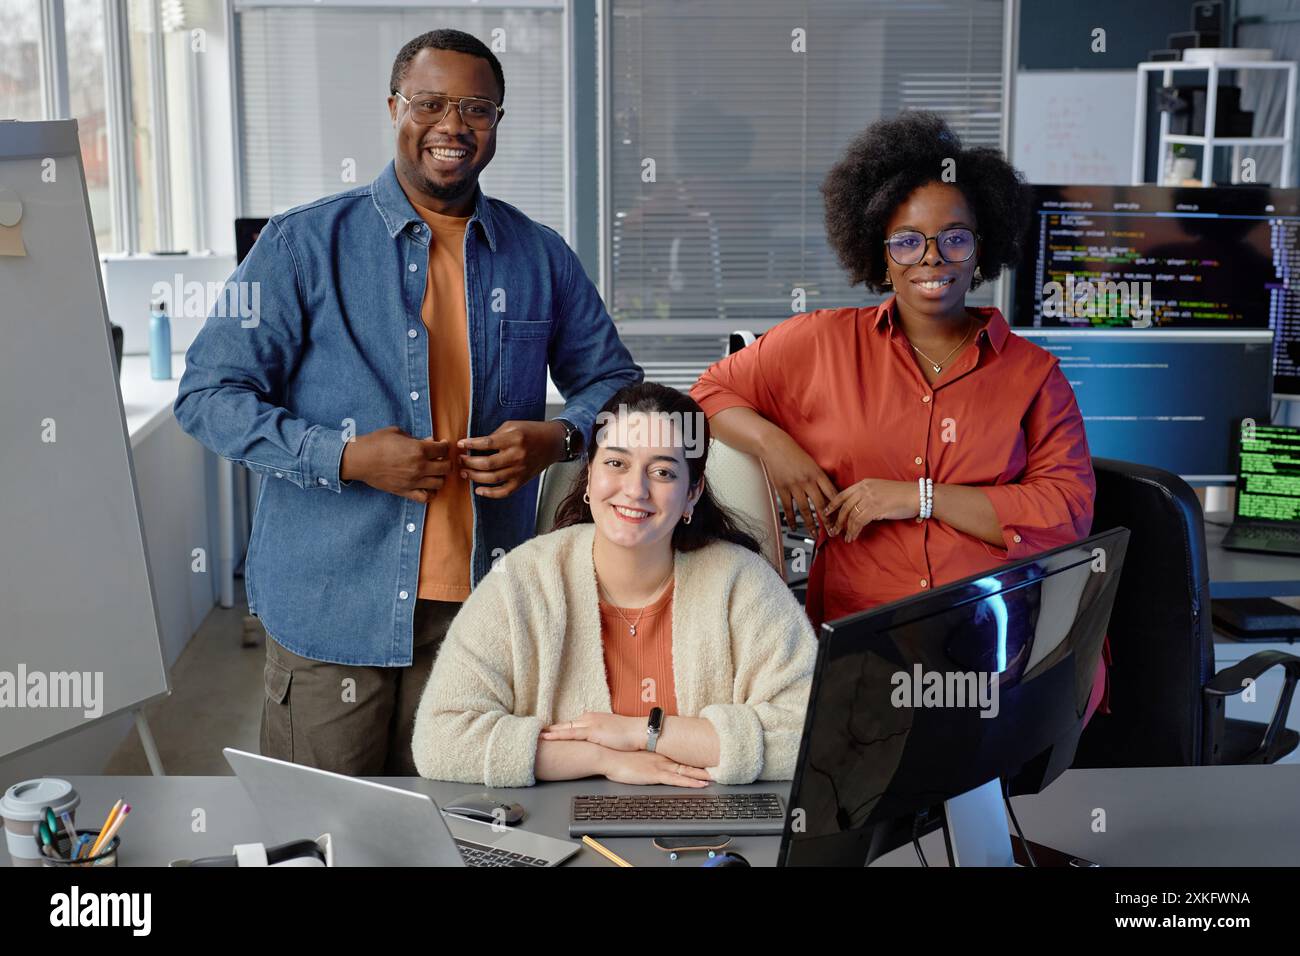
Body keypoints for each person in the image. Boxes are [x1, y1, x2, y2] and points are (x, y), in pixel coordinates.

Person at [173, 29, 641, 775]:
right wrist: (347, 456)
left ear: (495, 123)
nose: (453, 125)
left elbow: (616, 385)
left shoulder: (539, 255)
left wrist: (562, 441)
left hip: (479, 614)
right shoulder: (302, 245)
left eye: (477, 109)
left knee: (458, 833)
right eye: (430, 103)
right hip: (333, 609)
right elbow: (207, 396)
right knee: (324, 838)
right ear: (395, 107)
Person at [690, 111, 1108, 717]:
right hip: (868, 640)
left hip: (1003, 641)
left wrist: (919, 496)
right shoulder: (820, 343)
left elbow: (1066, 513)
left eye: (954, 238)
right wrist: (777, 448)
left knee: (977, 778)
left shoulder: (1033, 375)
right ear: (881, 256)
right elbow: (708, 393)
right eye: (907, 241)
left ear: (980, 248)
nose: (932, 259)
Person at [411, 383, 817, 787]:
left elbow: (816, 735)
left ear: (692, 493)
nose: (635, 490)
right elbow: (439, 739)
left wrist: (642, 733)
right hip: (558, 829)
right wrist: (602, 758)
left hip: (711, 828)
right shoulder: (522, 578)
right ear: (589, 476)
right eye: (616, 464)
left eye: (662, 472)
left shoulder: (742, 583)